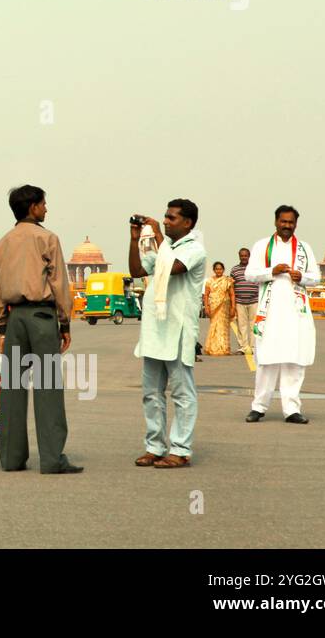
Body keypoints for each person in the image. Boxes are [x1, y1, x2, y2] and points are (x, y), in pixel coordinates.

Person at [0, 184, 82, 475]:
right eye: (43, 204)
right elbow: (59, 284)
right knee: (47, 388)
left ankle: (11, 458)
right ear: (33, 207)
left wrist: (3, 329)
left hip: (14, 318)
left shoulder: (2, 243)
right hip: (41, 318)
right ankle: (52, 459)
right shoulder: (47, 239)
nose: (46, 209)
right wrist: (64, 322)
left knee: (12, 388)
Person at [128, 200, 207, 469]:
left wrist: (158, 237)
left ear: (188, 223)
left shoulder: (194, 249)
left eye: (171, 218)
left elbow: (170, 268)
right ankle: (154, 446)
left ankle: (181, 449)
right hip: (154, 330)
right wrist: (134, 237)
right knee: (151, 393)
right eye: (164, 217)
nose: (165, 221)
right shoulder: (165, 248)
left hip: (178, 332)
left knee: (182, 394)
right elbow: (137, 271)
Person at [244, 205, 318, 424]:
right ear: (276, 222)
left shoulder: (304, 248)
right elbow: (249, 274)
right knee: (267, 360)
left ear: (296, 224)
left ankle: (291, 409)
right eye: (283, 221)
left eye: (291, 222)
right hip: (270, 313)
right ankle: (258, 407)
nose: (287, 226)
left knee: (294, 361)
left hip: (296, 314)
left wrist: (301, 276)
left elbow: (316, 277)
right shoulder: (261, 246)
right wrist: (271, 272)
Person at [228, 248, 259, 355]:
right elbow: (231, 286)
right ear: (239, 256)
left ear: (249, 256)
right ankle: (243, 347)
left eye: (245, 255)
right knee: (241, 325)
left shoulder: (255, 269)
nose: (244, 257)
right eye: (242, 255)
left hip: (254, 300)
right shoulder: (234, 270)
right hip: (239, 301)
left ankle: (254, 347)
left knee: (254, 325)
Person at [201, 262, 236, 356]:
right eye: (217, 269)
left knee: (223, 328)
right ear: (214, 270)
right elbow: (206, 295)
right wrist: (206, 307)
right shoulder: (209, 281)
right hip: (214, 306)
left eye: (220, 269)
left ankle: (223, 348)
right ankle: (212, 348)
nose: (219, 271)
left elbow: (232, 294)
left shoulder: (228, 280)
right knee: (214, 327)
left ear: (223, 270)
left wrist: (233, 307)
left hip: (224, 307)